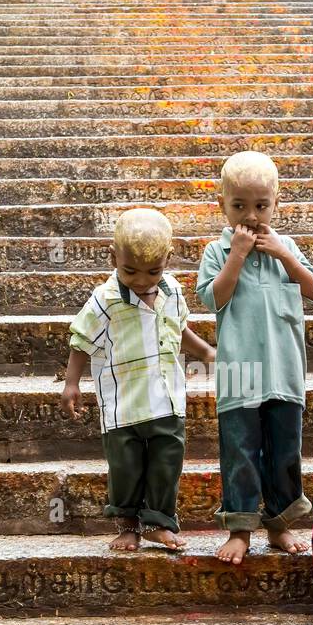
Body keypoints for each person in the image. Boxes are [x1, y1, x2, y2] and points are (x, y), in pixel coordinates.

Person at [196, 151, 313, 564]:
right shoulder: (217, 251)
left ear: (276, 204)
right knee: (240, 449)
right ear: (222, 205)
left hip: (284, 369)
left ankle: (280, 522)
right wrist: (236, 254)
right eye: (239, 206)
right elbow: (214, 297)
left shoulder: (287, 247)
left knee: (285, 448)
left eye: (260, 205)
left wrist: (284, 256)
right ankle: (240, 527)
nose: (250, 216)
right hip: (239, 368)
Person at [63, 208, 216, 551]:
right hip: (123, 404)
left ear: (168, 259)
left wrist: (206, 351)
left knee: (167, 462)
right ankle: (129, 525)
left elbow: (180, 329)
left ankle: (159, 523)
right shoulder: (105, 300)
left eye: (153, 271)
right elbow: (81, 340)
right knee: (125, 467)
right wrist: (72, 383)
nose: (143, 280)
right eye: (130, 270)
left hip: (165, 398)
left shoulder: (173, 291)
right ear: (113, 257)